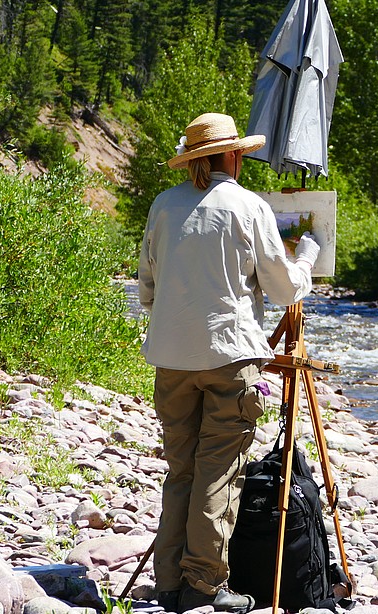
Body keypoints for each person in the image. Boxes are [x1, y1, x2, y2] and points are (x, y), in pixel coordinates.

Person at [138, 112, 320, 613]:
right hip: (229, 356)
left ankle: (169, 582)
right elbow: (282, 289)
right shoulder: (247, 206)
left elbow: (147, 288)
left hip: (170, 359)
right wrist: (305, 258)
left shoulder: (163, 205)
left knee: (180, 468)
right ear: (234, 156)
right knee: (218, 470)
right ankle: (204, 584)